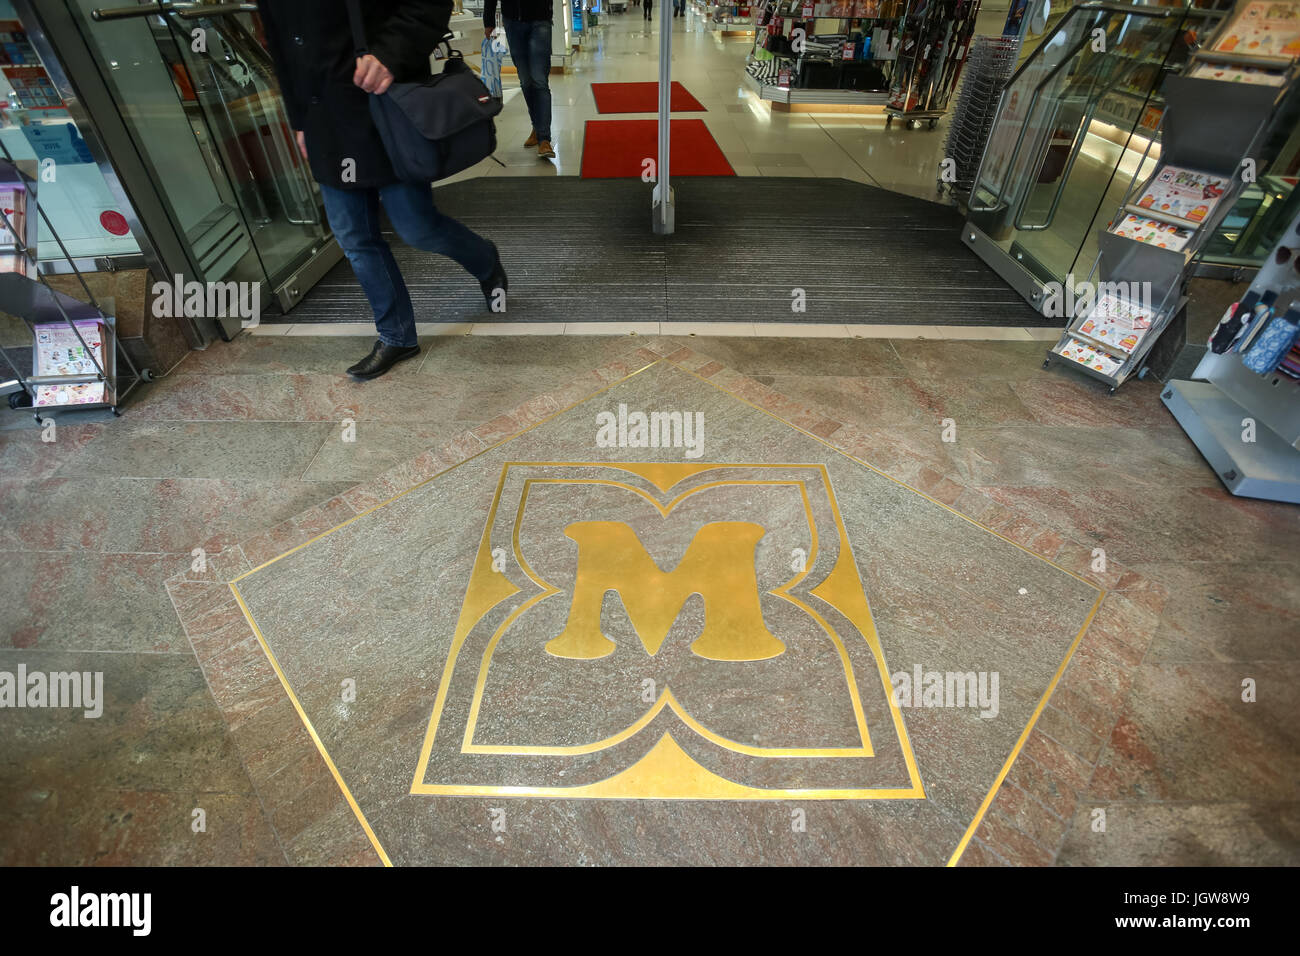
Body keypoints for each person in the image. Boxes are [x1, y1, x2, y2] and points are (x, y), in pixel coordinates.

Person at [258, 0, 507, 381]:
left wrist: (389, 55)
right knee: (355, 237)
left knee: (417, 227)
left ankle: (485, 259)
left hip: (384, 109)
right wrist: (299, 120)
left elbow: (428, 6)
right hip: (323, 117)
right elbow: (281, 45)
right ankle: (396, 336)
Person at [484, 0, 555, 159]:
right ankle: (537, 127)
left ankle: (544, 139)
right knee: (526, 81)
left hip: (540, 19)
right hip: (513, 21)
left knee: (539, 80)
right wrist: (488, 21)